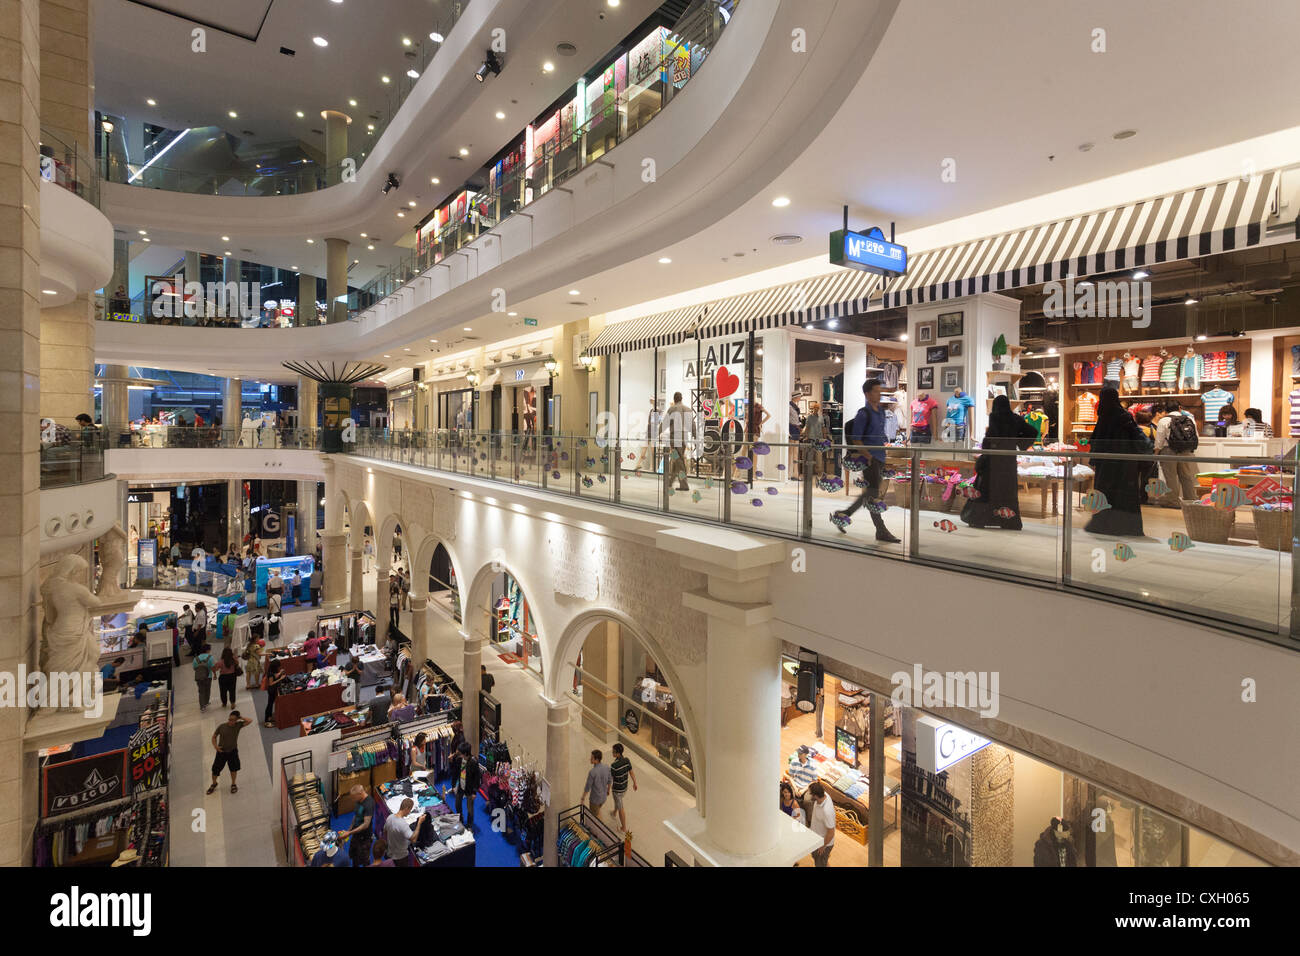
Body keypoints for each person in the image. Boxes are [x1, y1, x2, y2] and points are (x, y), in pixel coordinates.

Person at [832, 379, 902, 543]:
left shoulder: (882, 413)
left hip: (880, 457)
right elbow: (857, 439)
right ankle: (881, 530)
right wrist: (868, 456)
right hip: (870, 459)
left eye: (880, 391)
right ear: (868, 394)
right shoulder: (863, 413)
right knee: (873, 496)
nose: (879, 394)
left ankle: (843, 516)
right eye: (876, 391)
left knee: (870, 494)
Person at [960, 394, 1038, 530]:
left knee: (986, 489)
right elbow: (1032, 431)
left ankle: (980, 519)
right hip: (1008, 461)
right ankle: (1008, 521)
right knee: (1007, 491)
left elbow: (991, 438)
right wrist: (1018, 442)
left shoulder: (994, 417)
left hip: (993, 460)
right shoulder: (1016, 419)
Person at [1085, 387, 1149, 536]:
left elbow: (1096, 441)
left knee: (1105, 495)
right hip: (1124, 464)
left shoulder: (1103, 418)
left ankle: (1104, 525)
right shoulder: (1124, 416)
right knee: (1124, 495)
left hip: (1106, 465)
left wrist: (1094, 461)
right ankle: (1126, 527)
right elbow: (1136, 437)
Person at [1152, 399, 1199, 506]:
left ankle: (1173, 501)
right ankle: (1190, 499)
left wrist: (1156, 453)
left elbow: (1159, 440)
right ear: (1179, 408)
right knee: (1186, 476)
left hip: (1169, 451)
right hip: (1186, 451)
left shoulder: (1164, 421)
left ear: (1166, 410)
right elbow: (1196, 436)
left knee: (1171, 476)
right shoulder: (1189, 419)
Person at [207, 710, 252, 794]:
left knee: (233, 768)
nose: (230, 721)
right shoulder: (222, 726)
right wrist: (216, 746)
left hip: (233, 752)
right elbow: (214, 737)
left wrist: (241, 717)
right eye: (229, 719)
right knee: (215, 769)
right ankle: (214, 783)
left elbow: (250, 720)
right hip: (221, 752)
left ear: (236, 720)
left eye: (232, 720)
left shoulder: (238, 725)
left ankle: (233, 784)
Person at [659, 391, 694, 492]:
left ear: (674, 399)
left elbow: (664, 423)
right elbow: (692, 425)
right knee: (677, 460)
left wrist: (656, 434)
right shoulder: (688, 410)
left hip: (675, 440)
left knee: (679, 461)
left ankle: (684, 484)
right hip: (684, 439)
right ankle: (670, 482)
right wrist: (695, 435)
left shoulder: (672, 409)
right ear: (681, 398)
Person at [383, 798, 427, 866]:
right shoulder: (403, 824)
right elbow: (414, 839)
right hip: (401, 857)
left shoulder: (390, 817)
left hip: (390, 852)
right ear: (406, 808)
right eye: (410, 810)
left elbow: (385, 832)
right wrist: (419, 823)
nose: (409, 812)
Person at [448, 740, 481, 829]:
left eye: (460, 753)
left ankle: (470, 825)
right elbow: (455, 771)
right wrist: (453, 784)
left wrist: (474, 792)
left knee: (470, 808)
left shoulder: (473, 762)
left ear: (466, 753)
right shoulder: (459, 759)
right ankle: (461, 820)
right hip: (461, 786)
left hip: (470, 788)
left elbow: (477, 778)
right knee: (457, 804)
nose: (458, 754)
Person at [342, 784, 375, 867]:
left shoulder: (369, 804)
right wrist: (349, 830)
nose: (353, 799)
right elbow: (356, 815)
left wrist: (349, 833)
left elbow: (365, 824)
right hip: (356, 833)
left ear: (360, 793)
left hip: (365, 837)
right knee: (354, 855)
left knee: (364, 859)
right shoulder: (358, 800)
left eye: (354, 797)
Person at [607, 743, 637, 832]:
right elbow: (631, 772)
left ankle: (623, 827)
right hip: (625, 788)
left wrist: (608, 789)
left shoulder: (614, 766)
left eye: (613, 752)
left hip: (617, 790)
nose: (612, 753)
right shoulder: (627, 760)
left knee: (621, 808)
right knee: (618, 801)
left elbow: (610, 779)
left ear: (618, 753)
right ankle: (614, 812)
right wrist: (635, 783)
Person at [808, 780, 836, 866]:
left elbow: (831, 832)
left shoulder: (826, 811)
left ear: (815, 796)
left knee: (820, 863)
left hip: (823, 843)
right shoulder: (824, 795)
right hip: (816, 838)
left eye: (810, 793)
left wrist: (823, 846)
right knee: (819, 859)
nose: (809, 794)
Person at [582, 748, 613, 817]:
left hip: (595, 799)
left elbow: (587, 787)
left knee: (595, 817)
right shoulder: (606, 767)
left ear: (596, 760)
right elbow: (610, 780)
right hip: (603, 797)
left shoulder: (592, 772)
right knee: (598, 810)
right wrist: (608, 790)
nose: (590, 759)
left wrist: (583, 798)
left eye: (592, 758)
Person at [802, 401, 827, 478]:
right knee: (809, 456)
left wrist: (825, 437)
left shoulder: (821, 418)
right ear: (813, 408)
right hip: (810, 438)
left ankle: (819, 472)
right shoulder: (809, 417)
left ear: (819, 409)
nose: (816, 409)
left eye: (817, 408)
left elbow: (823, 428)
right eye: (814, 408)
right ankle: (807, 472)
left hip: (819, 439)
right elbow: (807, 427)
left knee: (819, 457)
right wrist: (805, 436)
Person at [263, 657, 287, 727]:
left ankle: (269, 717)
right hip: (271, 690)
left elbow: (275, 676)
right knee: (270, 705)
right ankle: (266, 721)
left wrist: (280, 673)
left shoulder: (273, 670)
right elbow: (271, 683)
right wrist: (280, 679)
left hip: (274, 689)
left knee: (271, 704)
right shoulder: (270, 673)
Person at [192, 643, 216, 711]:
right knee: (207, 690)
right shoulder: (210, 657)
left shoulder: (195, 659)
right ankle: (206, 702)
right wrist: (215, 675)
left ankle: (202, 706)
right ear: (207, 650)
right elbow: (213, 667)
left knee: (201, 691)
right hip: (208, 677)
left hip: (199, 677)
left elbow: (194, 668)